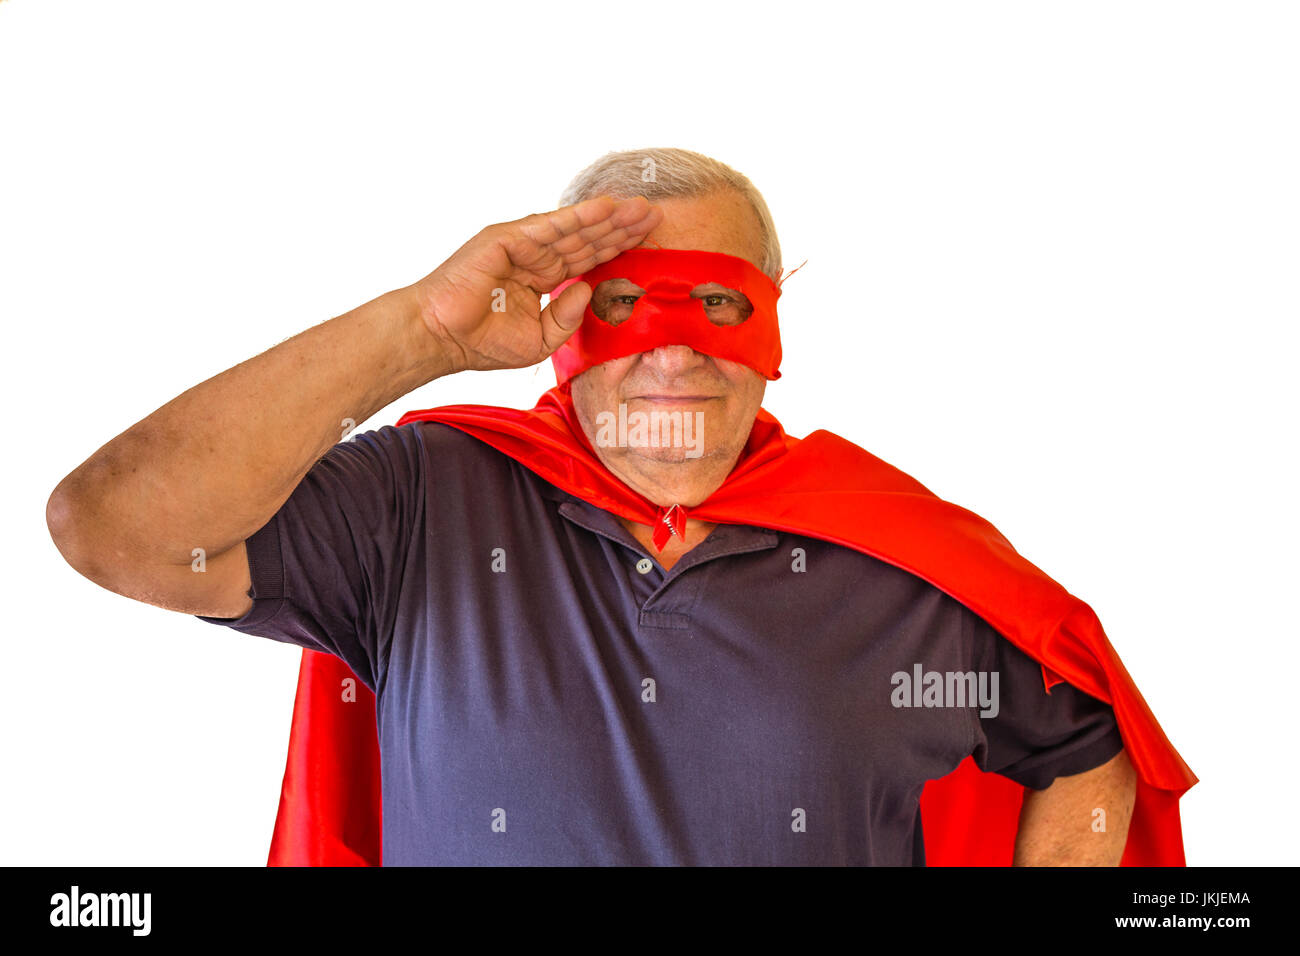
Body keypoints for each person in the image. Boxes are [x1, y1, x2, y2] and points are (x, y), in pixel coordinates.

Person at [47, 147, 1192, 866]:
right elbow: (115, 527)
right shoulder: (416, 507)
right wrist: (422, 333)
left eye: (715, 301)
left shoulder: (899, 557)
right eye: (625, 302)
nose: (672, 351)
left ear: (776, 317)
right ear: (552, 317)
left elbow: (1087, 745)